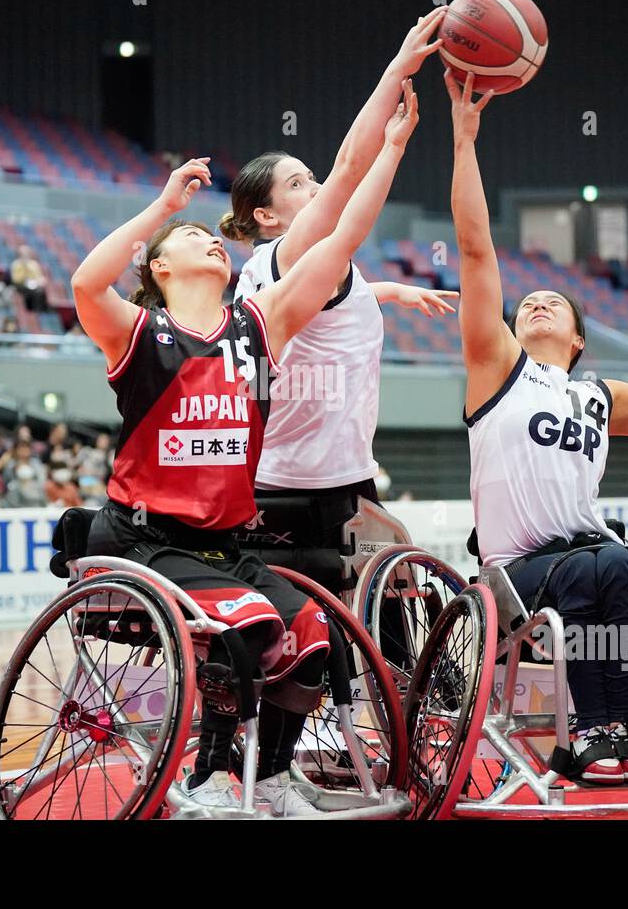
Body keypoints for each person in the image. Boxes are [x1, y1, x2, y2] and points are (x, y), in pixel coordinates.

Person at [70, 83, 418, 815]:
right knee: (250, 623)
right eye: (188, 240)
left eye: (208, 234)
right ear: (160, 268)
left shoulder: (257, 327)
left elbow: (344, 238)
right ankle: (210, 778)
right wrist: (164, 207)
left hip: (227, 543)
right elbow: (85, 280)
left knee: (318, 630)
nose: (208, 239)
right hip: (148, 539)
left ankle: (271, 778)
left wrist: (393, 147)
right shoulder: (138, 332)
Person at [448, 69, 628, 785]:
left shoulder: (600, 393)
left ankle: (610, 732)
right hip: (516, 575)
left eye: (553, 304)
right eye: (528, 303)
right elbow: (478, 250)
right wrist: (463, 142)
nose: (537, 305)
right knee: (600, 562)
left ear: (578, 339)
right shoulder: (495, 368)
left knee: (619, 560)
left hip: (587, 563)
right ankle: (603, 730)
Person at [222, 10, 454, 549]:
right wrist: (396, 70)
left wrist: (391, 292)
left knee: (297, 628)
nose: (317, 187)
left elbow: (310, 315)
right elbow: (351, 167)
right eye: (300, 183)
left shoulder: (261, 270)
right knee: (383, 629)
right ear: (266, 215)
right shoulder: (296, 249)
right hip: (325, 485)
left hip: (266, 476)